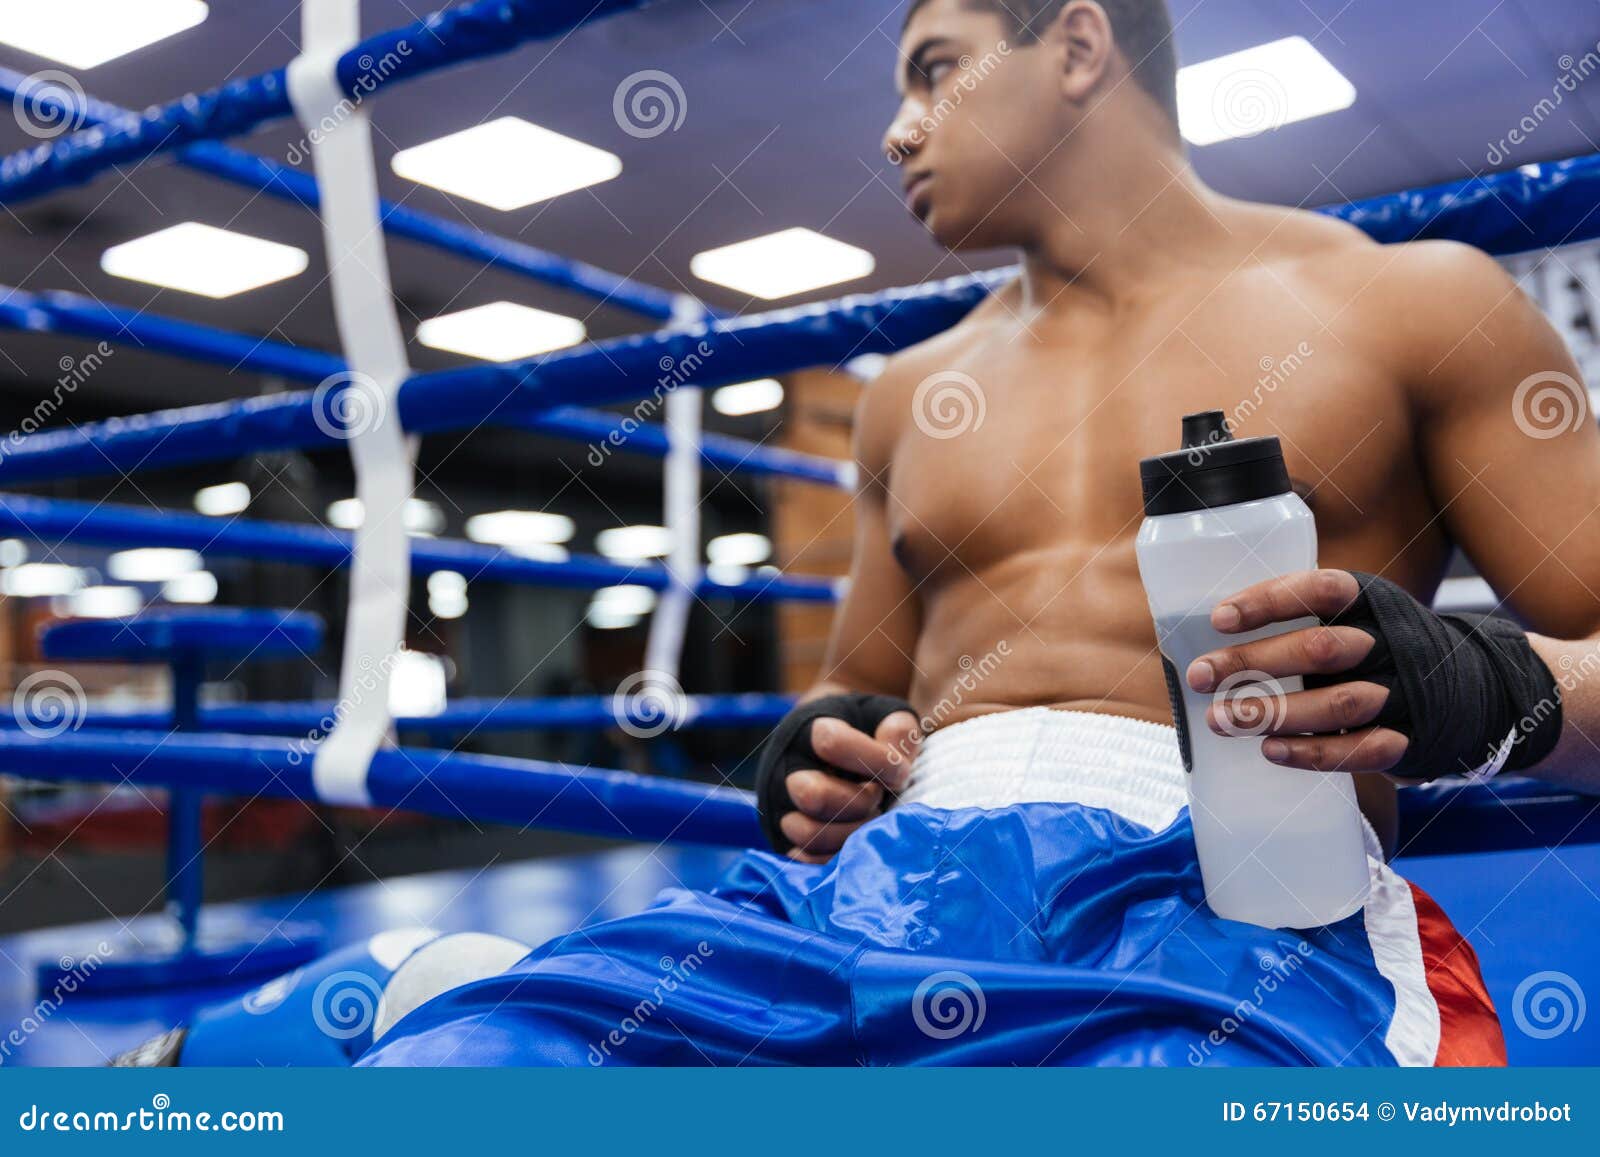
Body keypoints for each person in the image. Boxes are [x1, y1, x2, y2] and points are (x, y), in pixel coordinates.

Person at [124, 0, 1599, 1068]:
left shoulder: (1415, 302)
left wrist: (1491, 686)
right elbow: (857, 719)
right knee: (466, 1076)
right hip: (881, 896)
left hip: (1227, 890)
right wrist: (827, 772)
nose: (896, 126)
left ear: (1078, 48)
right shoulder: (910, 396)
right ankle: (440, 995)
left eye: (937, 70)